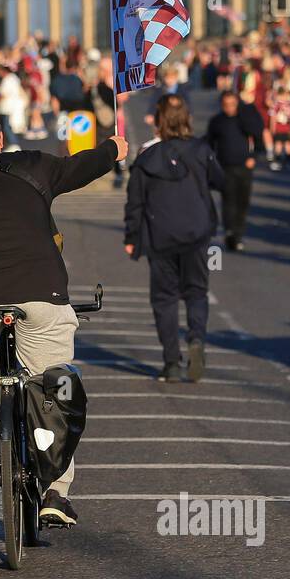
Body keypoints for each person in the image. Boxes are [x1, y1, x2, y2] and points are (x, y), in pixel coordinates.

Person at [0, 102, 126, 529]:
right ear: (0, 139)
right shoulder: (35, 167)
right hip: (42, 295)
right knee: (54, 387)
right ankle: (56, 492)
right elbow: (81, 166)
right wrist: (113, 148)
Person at [123, 95, 224, 382]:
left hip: (160, 235)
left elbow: (135, 201)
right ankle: (196, 338)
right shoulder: (201, 150)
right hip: (196, 232)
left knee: (165, 299)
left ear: (158, 120)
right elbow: (221, 181)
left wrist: (131, 235)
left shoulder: (147, 155)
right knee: (195, 292)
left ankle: (171, 362)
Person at [205, 90, 263, 251]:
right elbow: (209, 143)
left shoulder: (244, 119)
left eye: (232, 104)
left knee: (242, 202)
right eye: (226, 105)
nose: (229, 108)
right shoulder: (217, 121)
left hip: (245, 167)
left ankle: (239, 233)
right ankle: (230, 232)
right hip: (225, 167)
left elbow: (258, 137)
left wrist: (254, 156)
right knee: (228, 201)